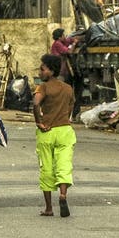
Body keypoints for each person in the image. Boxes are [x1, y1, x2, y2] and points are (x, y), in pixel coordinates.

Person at [33, 53, 76, 217]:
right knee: (64, 165)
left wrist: (39, 122)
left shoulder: (43, 88)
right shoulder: (67, 88)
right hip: (65, 130)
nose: (39, 72)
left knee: (47, 168)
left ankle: (49, 208)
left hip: (47, 132)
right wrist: (66, 117)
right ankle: (63, 195)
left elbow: (36, 103)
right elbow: (71, 104)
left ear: (51, 71)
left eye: (42, 69)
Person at [50, 27, 84, 119]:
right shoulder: (57, 44)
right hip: (60, 73)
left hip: (64, 72)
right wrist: (74, 43)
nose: (65, 36)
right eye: (63, 35)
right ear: (60, 37)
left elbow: (69, 39)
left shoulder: (61, 42)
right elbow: (69, 51)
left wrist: (75, 39)